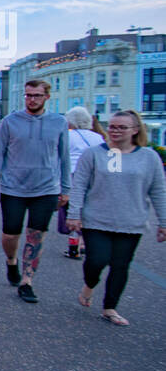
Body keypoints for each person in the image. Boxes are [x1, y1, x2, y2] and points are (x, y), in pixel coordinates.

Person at [68, 110, 166, 327]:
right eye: (112, 126)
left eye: (122, 127)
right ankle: (89, 284)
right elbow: (79, 186)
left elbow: (158, 190)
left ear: (135, 130)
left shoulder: (149, 157)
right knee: (97, 260)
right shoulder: (93, 154)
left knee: (121, 265)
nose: (115, 130)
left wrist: (163, 222)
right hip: (96, 220)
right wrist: (74, 214)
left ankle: (109, 308)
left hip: (131, 222)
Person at [0, 79, 70, 303]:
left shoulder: (59, 123)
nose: (32, 99)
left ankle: (27, 282)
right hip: (14, 187)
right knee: (11, 233)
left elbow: (64, 158)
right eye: (28, 95)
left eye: (37, 95)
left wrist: (66, 189)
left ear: (47, 97)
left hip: (47, 188)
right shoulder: (10, 121)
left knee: (36, 235)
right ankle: (11, 261)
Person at [63, 106, 104, 259]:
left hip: (72, 175)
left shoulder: (67, 136)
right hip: (93, 176)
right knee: (88, 209)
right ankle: (86, 242)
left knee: (72, 209)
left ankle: (76, 242)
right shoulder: (97, 137)